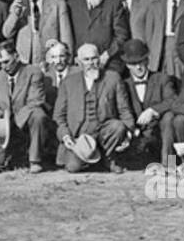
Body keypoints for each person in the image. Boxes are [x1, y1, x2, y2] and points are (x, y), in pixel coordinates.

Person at [52, 42, 134, 173]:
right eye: (86, 59)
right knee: (73, 167)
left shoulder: (113, 78)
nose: (91, 63)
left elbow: (124, 110)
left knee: (118, 127)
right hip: (79, 137)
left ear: (99, 59)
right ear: (79, 62)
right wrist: (66, 136)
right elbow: (58, 117)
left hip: (104, 132)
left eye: (94, 58)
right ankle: (91, 160)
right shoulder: (68, 82)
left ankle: (108, 158)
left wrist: (128, 133)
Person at [0, 39, 52, 173]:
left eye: (6, 61)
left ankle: (35, 159)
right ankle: (14, 156)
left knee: (38, 115)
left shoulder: (33, 72)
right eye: (0, 63)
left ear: (16, 56)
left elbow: (35, 101)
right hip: (4, 128)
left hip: (25, 123)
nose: (4, 66)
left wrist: (13, 120)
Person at [116, 39, 176, 166]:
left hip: (159, 135)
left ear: (147, 60)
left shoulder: (161, 79)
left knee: (169, 117)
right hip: (136, 136)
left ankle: (169, 164)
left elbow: (173, 100)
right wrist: (128, 130)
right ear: (127, 65)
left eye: (141, 62)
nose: (138, 67)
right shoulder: (122, 84)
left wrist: (153, 111)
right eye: (133, 63)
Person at [2, 0, 72, 69]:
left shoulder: (57, 5)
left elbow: (66, 37)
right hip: (24, 62)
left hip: (49, 62)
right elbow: (7, 33)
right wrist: (15, 14)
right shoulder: (19, 4)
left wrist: (67, 62)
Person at [65, 0, 129, 72]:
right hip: (80, 62)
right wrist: (75, 55)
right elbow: (68, 33)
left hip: (107, 62)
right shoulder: (72, 4)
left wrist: (107, 54)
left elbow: (122, 35)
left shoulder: (113, 4)